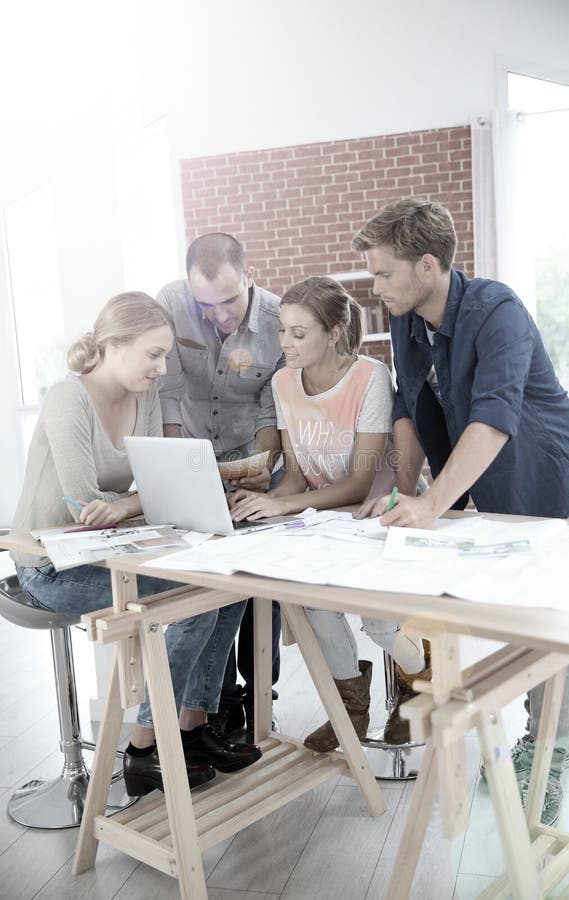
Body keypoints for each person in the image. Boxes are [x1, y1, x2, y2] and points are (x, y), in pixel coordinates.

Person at [352, 197, 569, 824]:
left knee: (541, 624)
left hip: (544, 476)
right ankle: (512, 731)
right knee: (501, 617)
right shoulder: (407, 318)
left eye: (383, 273)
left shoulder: (497, 310)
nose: (376, 288)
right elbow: (410, 409)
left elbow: (493, 418)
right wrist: (406, 490)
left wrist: (433, 502)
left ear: (427, 265)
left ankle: (549, 754)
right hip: (475, 482)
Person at [10, 291, 261, 797]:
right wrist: (132, 503)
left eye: (165, 355)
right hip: (49, 564)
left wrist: (128, 505)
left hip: (108, 550)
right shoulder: (67, 398)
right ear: (114, 344)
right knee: (194, 601)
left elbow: (152, 488)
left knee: (229, 583)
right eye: (154, 354)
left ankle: (190, 729)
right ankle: (145, 750)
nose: (162, 367)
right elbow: (84, 505)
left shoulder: (144, 396)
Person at [229, 276, 428, 751]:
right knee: (315, 608)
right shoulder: (282, 382)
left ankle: (419, 684)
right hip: (327, 520)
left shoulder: (369, 377)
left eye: (299, 333)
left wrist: (282, 503)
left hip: (381, 514)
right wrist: (266, 503)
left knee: (379, 624)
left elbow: (361, 482)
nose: (286, 343)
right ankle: (351, 712)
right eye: (282, 330)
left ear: (334, 333)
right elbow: (297, 476)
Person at [156, 233, 284, 740]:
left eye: (229, 301)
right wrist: (174, 469)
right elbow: (167, 392)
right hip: (191, 457)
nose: (219, 316)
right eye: (206, 305)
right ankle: (219, 703)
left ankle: (261, 694)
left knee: (257, 581)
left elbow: (273, 406)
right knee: (206, 582)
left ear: (249, 276)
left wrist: (263, 467)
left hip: (250, 453)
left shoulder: (277, 319)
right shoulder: (171, 303)